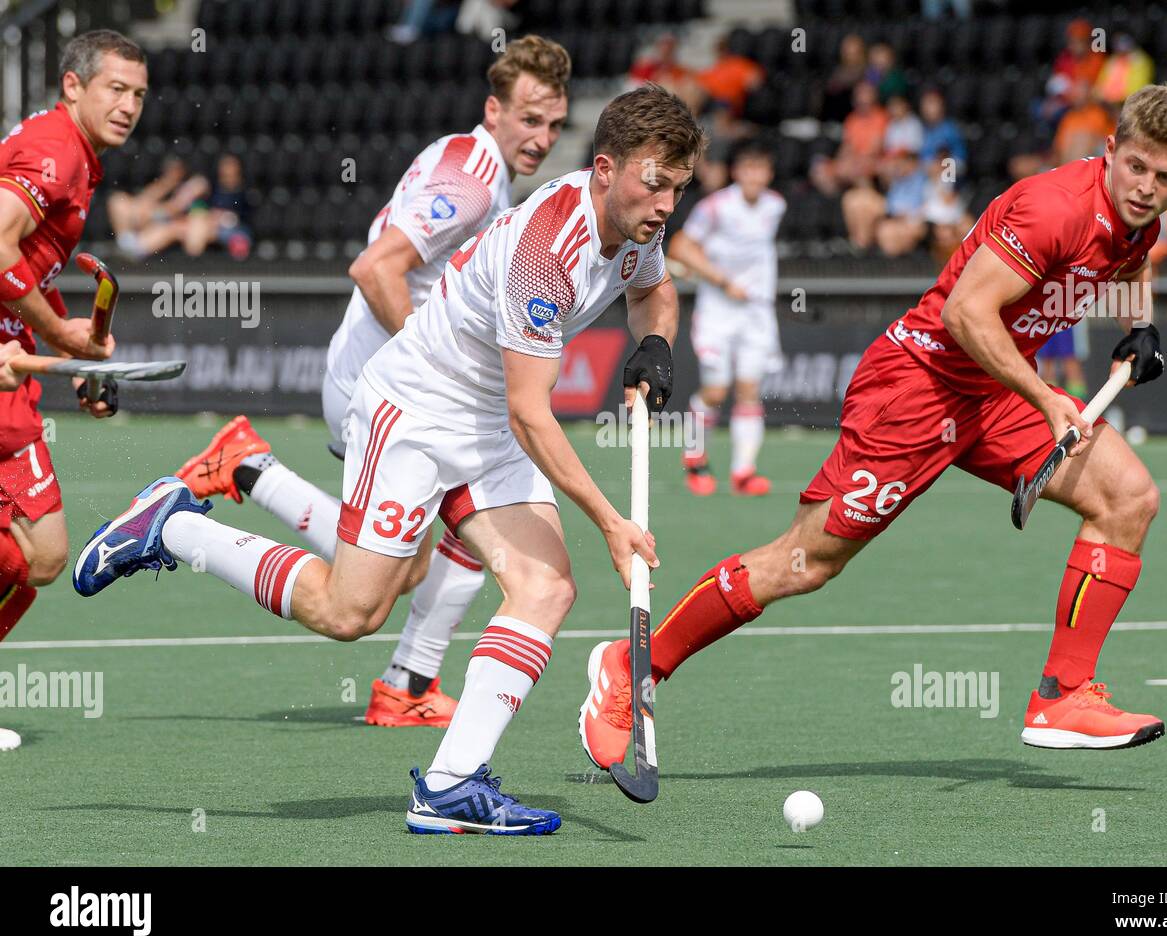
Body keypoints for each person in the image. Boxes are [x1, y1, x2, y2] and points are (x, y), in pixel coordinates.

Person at [75, 85, 704, 837]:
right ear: (605, 169)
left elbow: (653, 290)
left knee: (543, 587)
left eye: (679, 186)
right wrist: (608, 521)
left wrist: (656, 340)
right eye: (655, 182)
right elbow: (531, 413)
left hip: (484, 427)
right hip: (415, 414)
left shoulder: (635, 223)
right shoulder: (547, 248)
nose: (667, 202)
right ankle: (174, 527)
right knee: (351, 613)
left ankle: (450, 784)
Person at [580, 84, 1167, 767]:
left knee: (1128, 498)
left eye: (1166, 178)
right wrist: (1045, 396)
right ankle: (634, 667)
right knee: (806, 562)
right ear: (1110, 151)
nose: (1146, 188)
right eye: (1137, 168)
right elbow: (965, 316)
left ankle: (1063, 695)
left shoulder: (1137, 215)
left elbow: (1131, 256)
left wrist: (1139, 324)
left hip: (992, 395)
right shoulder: (1052, 208)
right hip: (918, 389)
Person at [171, 36, 570, 729]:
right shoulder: (473, 182)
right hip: (381, 385)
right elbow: (376, 268)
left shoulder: (473, 161)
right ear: (494, 109)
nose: (542, 137)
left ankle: (249, 470)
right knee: (394, 573)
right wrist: (441, 363)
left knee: (404, 566)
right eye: (530, 118)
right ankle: (404, 681)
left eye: (555, 125)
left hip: (384, 380)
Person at [0, 30, 137, 638]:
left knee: (44, 553)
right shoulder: (55, 152)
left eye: (138, 93)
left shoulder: (75, 155)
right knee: (39, 551)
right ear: (73, 86)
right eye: (115, 88)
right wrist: (57, 329)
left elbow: (23, 265)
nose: (129, 105)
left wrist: (68, 348)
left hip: (14, 353)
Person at [668, 141, 785, 496]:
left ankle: (743, 472)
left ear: (769, 174)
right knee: (717, 391)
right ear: (737, 173)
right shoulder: (716, 207)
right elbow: (680, 247)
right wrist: (721, 280)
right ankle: (694, 456)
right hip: (718, 312)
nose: (754, 177)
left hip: (757, 314)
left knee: (750, 390)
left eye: (760, 170)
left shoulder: (775, 206)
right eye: (747, 169)